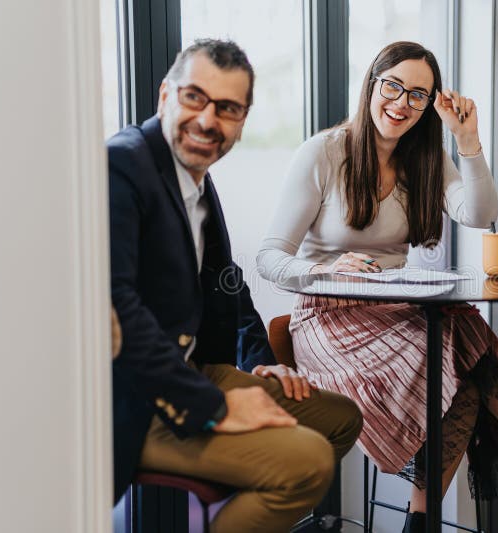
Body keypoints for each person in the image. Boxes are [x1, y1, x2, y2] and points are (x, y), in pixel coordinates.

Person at [258, 41, 498, 532]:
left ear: (430, 105)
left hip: (396, 313)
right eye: (393, 86)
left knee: (462, 346)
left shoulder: (423, 158)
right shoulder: (324, 152)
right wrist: (328, 269)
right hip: (329, 319)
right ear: (373, 84)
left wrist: (468, 142)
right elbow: (268, 257)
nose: (401, 104)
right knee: (461, 356)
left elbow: (480, 215)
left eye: (418, 95)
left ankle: (426, 520)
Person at [109, 39, 362, 533]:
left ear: (242, 121)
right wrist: (218, 407)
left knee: (339, 417)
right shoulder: (123, 167)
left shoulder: (196, 179)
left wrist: (260, 363)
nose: (208, 120)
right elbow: (115, 308)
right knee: (306, 460)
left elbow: (227, 287)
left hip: (203, 368)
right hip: (136, 396)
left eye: (227, 108)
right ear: (165, 95)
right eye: (194, 98)